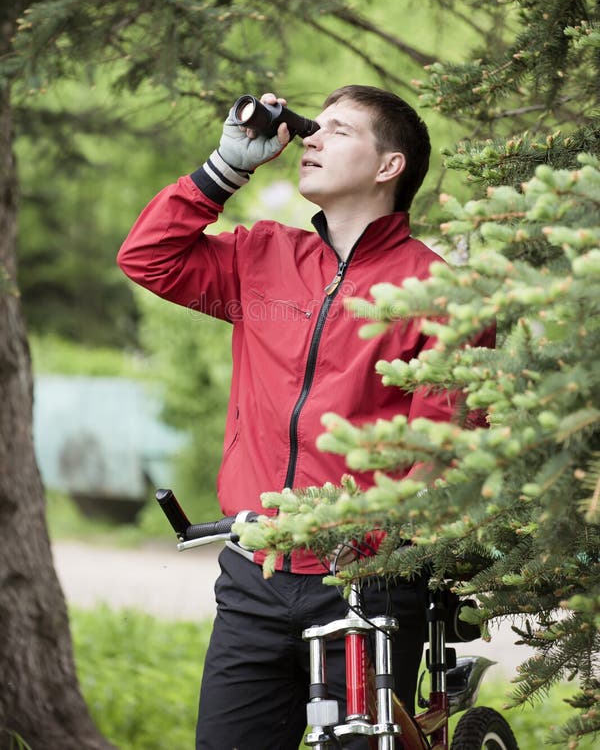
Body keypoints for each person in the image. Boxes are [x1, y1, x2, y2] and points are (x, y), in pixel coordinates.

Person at [117, 85, 494, 750]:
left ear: (388, 166)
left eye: (339, 130)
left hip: (367, 581)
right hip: (254, 574)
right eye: (313, 128)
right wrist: (225, 168)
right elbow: (148, 257)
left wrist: (373, 532)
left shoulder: (440, 294)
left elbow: (446, 445)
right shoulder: (262, 256)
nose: (312, 139)